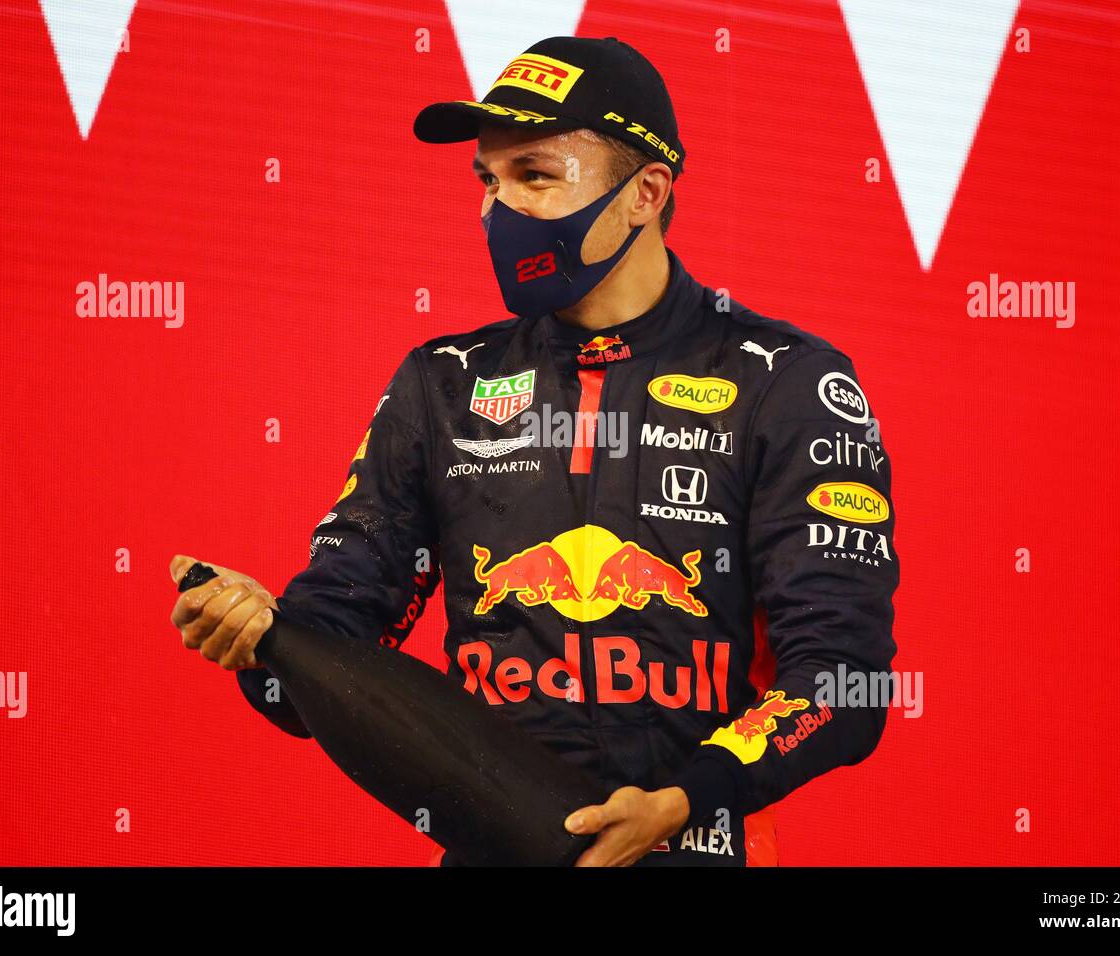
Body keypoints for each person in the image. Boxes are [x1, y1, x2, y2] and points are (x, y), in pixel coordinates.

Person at [169, 35, 899, 867]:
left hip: (700, 846)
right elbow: (325, 662)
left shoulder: (789, 381)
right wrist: (259, 639)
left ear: (644, 194)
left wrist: (683, 801)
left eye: (535, 176)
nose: (496, 210)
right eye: (488, 179)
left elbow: (846, 683)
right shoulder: (441, 384)